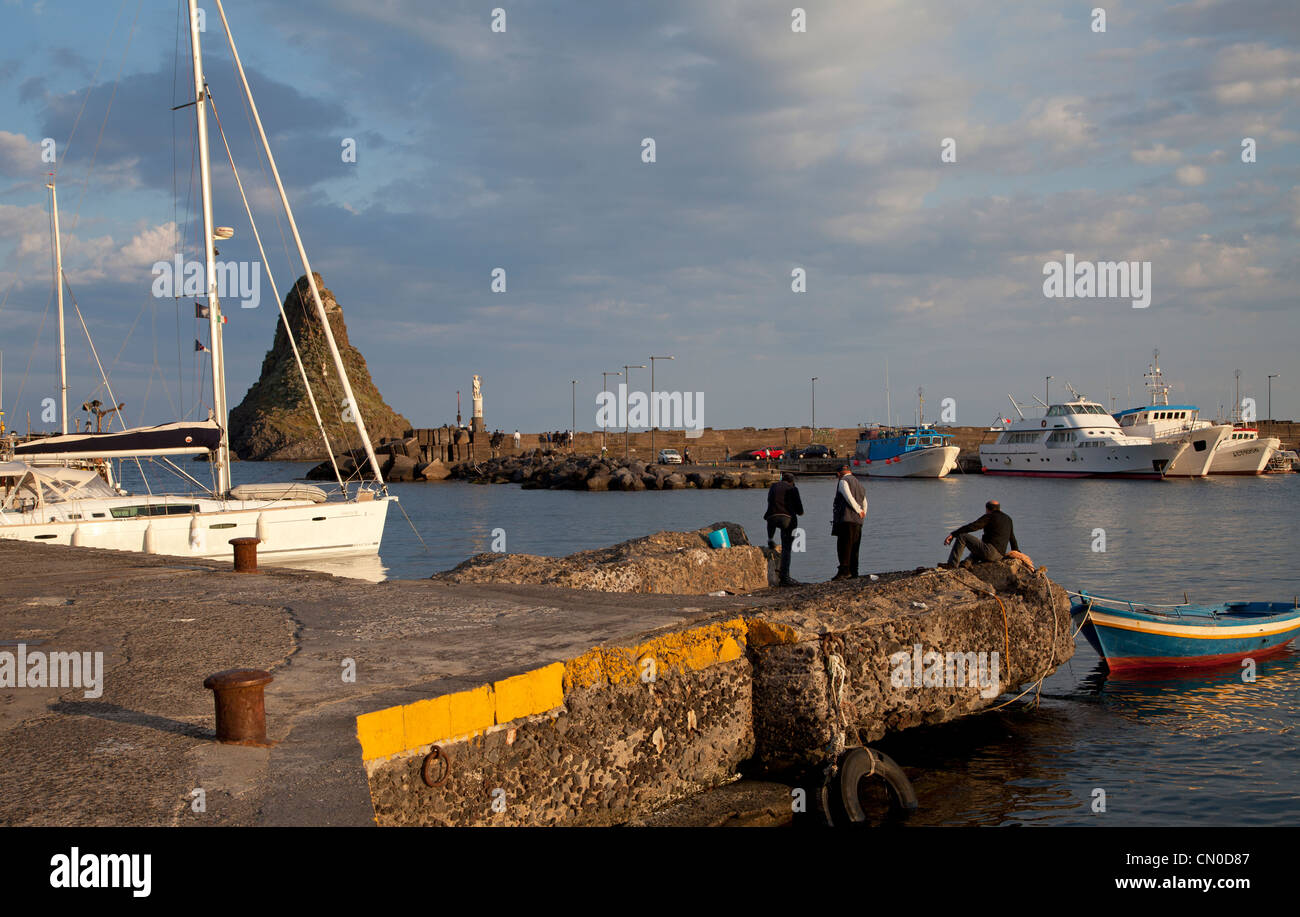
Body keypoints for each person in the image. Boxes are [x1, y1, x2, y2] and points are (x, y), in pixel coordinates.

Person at [943, 500, 1018, 566]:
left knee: (963, 537)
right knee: (980, 544)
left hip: (990, 553)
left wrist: (953, 534)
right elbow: (1012, 539)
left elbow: (973, 526)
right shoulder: (1008, 519)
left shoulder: (990, 516)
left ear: (987, 509)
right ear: (999, 508)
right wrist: (1017, 553)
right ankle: (967, 562)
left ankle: (952, 564)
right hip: (1000, 556)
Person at [764, 472, 805, 586]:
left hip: (771, 517)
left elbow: (770, 501)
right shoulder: (792, 488)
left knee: (771, 518)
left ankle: (770, 538)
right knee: (786, 547)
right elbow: (800, 510)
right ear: (792, 481)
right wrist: (798, 511)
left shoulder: (773, 486)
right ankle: (785, 577)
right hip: (787, 519)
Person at [831, 464, 866, 580]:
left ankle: (844, 571)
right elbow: (864, 500)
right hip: (858, 521)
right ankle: (854, 571)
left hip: (846, 519)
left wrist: (857, 509)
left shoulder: (843, 481)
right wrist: (862, 512)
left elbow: (848, 497)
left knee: (843, 546)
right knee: (855, 546)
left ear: (838, 473)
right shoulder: (858, 483)